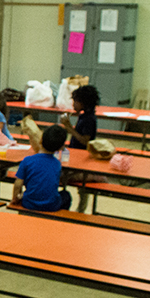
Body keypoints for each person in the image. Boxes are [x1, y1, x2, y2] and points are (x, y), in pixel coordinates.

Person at [60, 84, 101, 212]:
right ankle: (79, 207)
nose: (73, 105)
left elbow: (85, 140)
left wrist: (68, 128)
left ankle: (81, 209)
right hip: (75, 155)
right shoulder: (83, 116)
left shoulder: (89, 119)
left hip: (82, 156)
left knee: (80, 185)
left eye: (75, 101)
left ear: (83, 103)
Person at [12, 125, 72, 211]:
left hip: (29, 203)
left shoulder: (27, 161)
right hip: (51, 205)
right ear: (61, 148)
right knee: (66, 195)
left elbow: (18, 184)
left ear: (40, 140)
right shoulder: (57, 164)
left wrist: (15, 198)